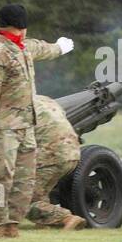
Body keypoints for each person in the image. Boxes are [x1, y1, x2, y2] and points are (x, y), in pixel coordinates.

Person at [0, 4, 73, 238]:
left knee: (24, 180)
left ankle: (12, 224)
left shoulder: (22, 48)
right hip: (3, 128)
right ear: (23, 27)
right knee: (0, 177)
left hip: (26, 126)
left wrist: (59, 48)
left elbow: (41, 48)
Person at [25, 95, 87, 230]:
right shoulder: (46, 100)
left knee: (23, 198)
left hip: (51, 155)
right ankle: (42, 224)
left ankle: (67, 218)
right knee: (39, 192)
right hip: (72, 153)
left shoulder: (16, 106)